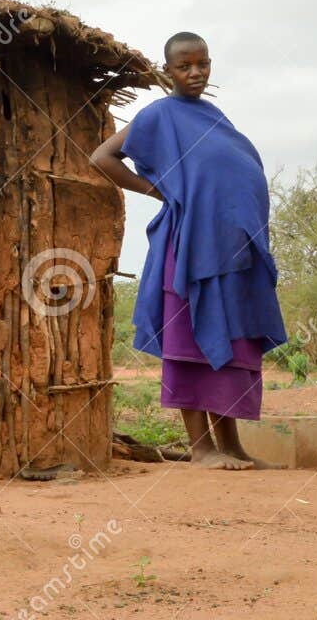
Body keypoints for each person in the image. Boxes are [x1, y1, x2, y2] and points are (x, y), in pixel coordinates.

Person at [89, 32, 287, 469]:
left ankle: (230, 446)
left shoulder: (214, 116)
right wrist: (161, 192)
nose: (195, 73)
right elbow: (102, 157)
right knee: (192, 341)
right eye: (184, 66)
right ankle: (201, 450)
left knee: (231, 341)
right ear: (168, 72)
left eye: (202, 64)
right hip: (190, 250)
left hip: (232, 254)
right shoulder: (159, 115)